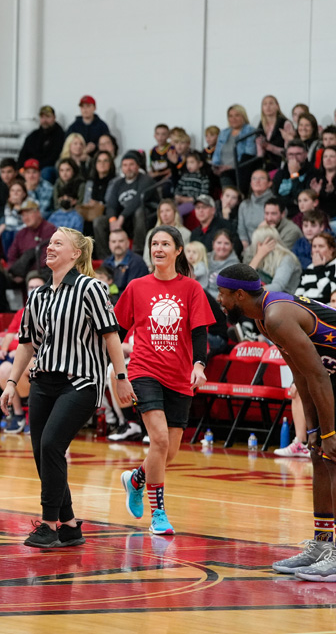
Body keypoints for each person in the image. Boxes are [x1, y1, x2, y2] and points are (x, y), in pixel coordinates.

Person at [1, 227, 133, 548]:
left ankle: (48, 525)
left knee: (50, 446)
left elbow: (110, 334)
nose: (50, 247)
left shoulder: (90, 288)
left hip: (80, 382)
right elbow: (26, 344)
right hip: (42, 383)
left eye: (58, 243)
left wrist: (120, 376)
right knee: (43, 453)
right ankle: (70, 525)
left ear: (75, 254)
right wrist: (10, 382)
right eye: (49, 242)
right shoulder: (37, 295)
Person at [215, 264, 336, 582]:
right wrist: (312, 427)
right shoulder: (263, 318)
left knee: (334, 456)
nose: (221, 300)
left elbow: (318, 375)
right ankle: (323, 544)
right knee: (318, 453)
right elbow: (300, 372)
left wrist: (330, 431)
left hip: (329, 376)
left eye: (223, 294)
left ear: (240, 294)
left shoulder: (276, 316)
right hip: (327, 375)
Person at [116, 226, 215, 535]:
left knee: (168, 452)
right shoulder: (136, 286)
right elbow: (116, 332)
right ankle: (158, 512)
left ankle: (135, 480)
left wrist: (199, 365)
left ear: (178, 250)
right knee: (158, 440)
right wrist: (118, 373)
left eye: (165, 243)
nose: (158, 248)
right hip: (144, 371)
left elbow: (200, 333)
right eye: (154, 243)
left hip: (180, 377)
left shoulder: (192, 289)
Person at [0, 273, 45, 432]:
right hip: (10, 354)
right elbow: (9, 334)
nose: (34, 290)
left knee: (6, 369)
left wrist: (18, 350)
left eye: (37, 287)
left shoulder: (49, 312)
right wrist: (3, 349)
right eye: (31, 287)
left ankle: (19, 415)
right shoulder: (22, 312)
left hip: (28, 356)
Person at [93, 150, 158, 257]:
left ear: (137, 166)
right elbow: (111, 204)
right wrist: (113, 220)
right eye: (125, 165)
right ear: (122, 168)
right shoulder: (118, 183)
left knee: (139, 211)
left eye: (131, 164)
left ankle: (138, 252)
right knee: (99, 221)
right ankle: (105, 259)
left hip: (143, 220)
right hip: (124, 222)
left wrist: (122, 217)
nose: (128, 168)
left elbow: (138, 200)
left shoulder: (146, 180)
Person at [7, 200, 56, 282]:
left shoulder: (50, 230)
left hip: (44, 274)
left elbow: (47, 259)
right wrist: (14, 273)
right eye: (23, 215)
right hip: (23, 275)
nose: (25, 218)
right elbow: (11, 256)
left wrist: (25, 272)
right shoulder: (21, 234)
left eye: (28, 213)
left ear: (38, 213)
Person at [212, 104, 257, 192]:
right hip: (221, 169)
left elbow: (250, 153)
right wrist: (216, 166)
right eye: (231, 116)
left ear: (243, 116)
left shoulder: (250, 131)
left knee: (225, 175)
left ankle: (229, 202)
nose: (233, 119)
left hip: (239, 168)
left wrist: (231, 167)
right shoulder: (223, 132)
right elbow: (217, 153)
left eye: (237, 115)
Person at [246, 225, 302, 293]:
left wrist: (251, 293)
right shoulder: (261, 258)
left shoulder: (287, 259)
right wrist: (258, 257)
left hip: (285, 300)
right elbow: (244, 279)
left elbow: (277, 287)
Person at [18, 105, 65, 179]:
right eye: (42, 117)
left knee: (45, 172)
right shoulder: (33, 135)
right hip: (30, 167)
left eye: (48, 117)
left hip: (46, 168)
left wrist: (35, 168)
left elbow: (53, 158)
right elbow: (22, 154)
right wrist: (21, 169)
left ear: (54, 118)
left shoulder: (60, 135)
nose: (45, 120)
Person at [144, 200, 191, 267]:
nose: (164, 214)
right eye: (161, 211)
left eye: (167, 210)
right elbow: (147, 258)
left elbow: (185, 257)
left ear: (175, 212)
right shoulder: (151, 233)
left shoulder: (185, 233)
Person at [102, 228, 150, 295]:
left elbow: (132, 293)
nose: (117, 245)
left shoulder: (137, 263)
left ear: (128, 243)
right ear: (109, 244)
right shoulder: (106, 263)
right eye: (113, 242)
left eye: (121, 241)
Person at [237, 169, 276, 248]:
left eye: (262, 178)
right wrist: (247, 250)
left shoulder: (277, 204)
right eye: (254, 178)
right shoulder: (244, 205)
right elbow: (242, 231)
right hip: (249, 249)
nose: (257, 181)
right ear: (251, 183)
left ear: (269, 183)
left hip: (270, 246)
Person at [272, 139, 313, 216]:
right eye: (291, 154)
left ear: (306, 154)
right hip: (282, 214)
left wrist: (294, 175)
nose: (294, 158)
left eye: (298, 154)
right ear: (286, 156)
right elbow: (275, 196)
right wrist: (292, 201)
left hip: (303, 215)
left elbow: (302, 198)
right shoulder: (281, 173)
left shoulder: (313, 173)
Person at [296, 232, 336, 303]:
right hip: (307, 306)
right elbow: (298, 294)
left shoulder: (334, 267)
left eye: (321, 246)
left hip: (325, 308)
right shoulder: (309, 268)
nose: (317, 250)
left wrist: (319, 269)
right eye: (314, 246)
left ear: (331, 249)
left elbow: (329, 294)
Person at [256, 94, 292, 172]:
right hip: (265, 164)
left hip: (281, 164)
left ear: (277, 106)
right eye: (265, 104)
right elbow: (259, 152)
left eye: (271, 103)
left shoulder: (285, 123)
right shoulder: (260, 125)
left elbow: (288, 151)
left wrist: (270, 147)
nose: (268, 106)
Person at [49, 158, 85, 231]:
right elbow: (56, 204)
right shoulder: (57, 184)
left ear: (74, 170)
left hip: (76, 213)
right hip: (60, 213)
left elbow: (81, 204)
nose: (64, 173)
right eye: (61, 170)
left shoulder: (81, 184)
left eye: (68, 170)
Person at [206, 230, 240, 300]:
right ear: (213, 244)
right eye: (219, 243)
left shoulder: (235, 266)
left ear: (232, 246)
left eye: (226, 243)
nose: (222, 247)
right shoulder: (205, 258)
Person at [311, 146, 336, 218]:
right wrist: (316, 194)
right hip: (319, 218)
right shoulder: (316, 178)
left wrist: (333, 192)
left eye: (332, 156)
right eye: (325, 157)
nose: (328, 159)